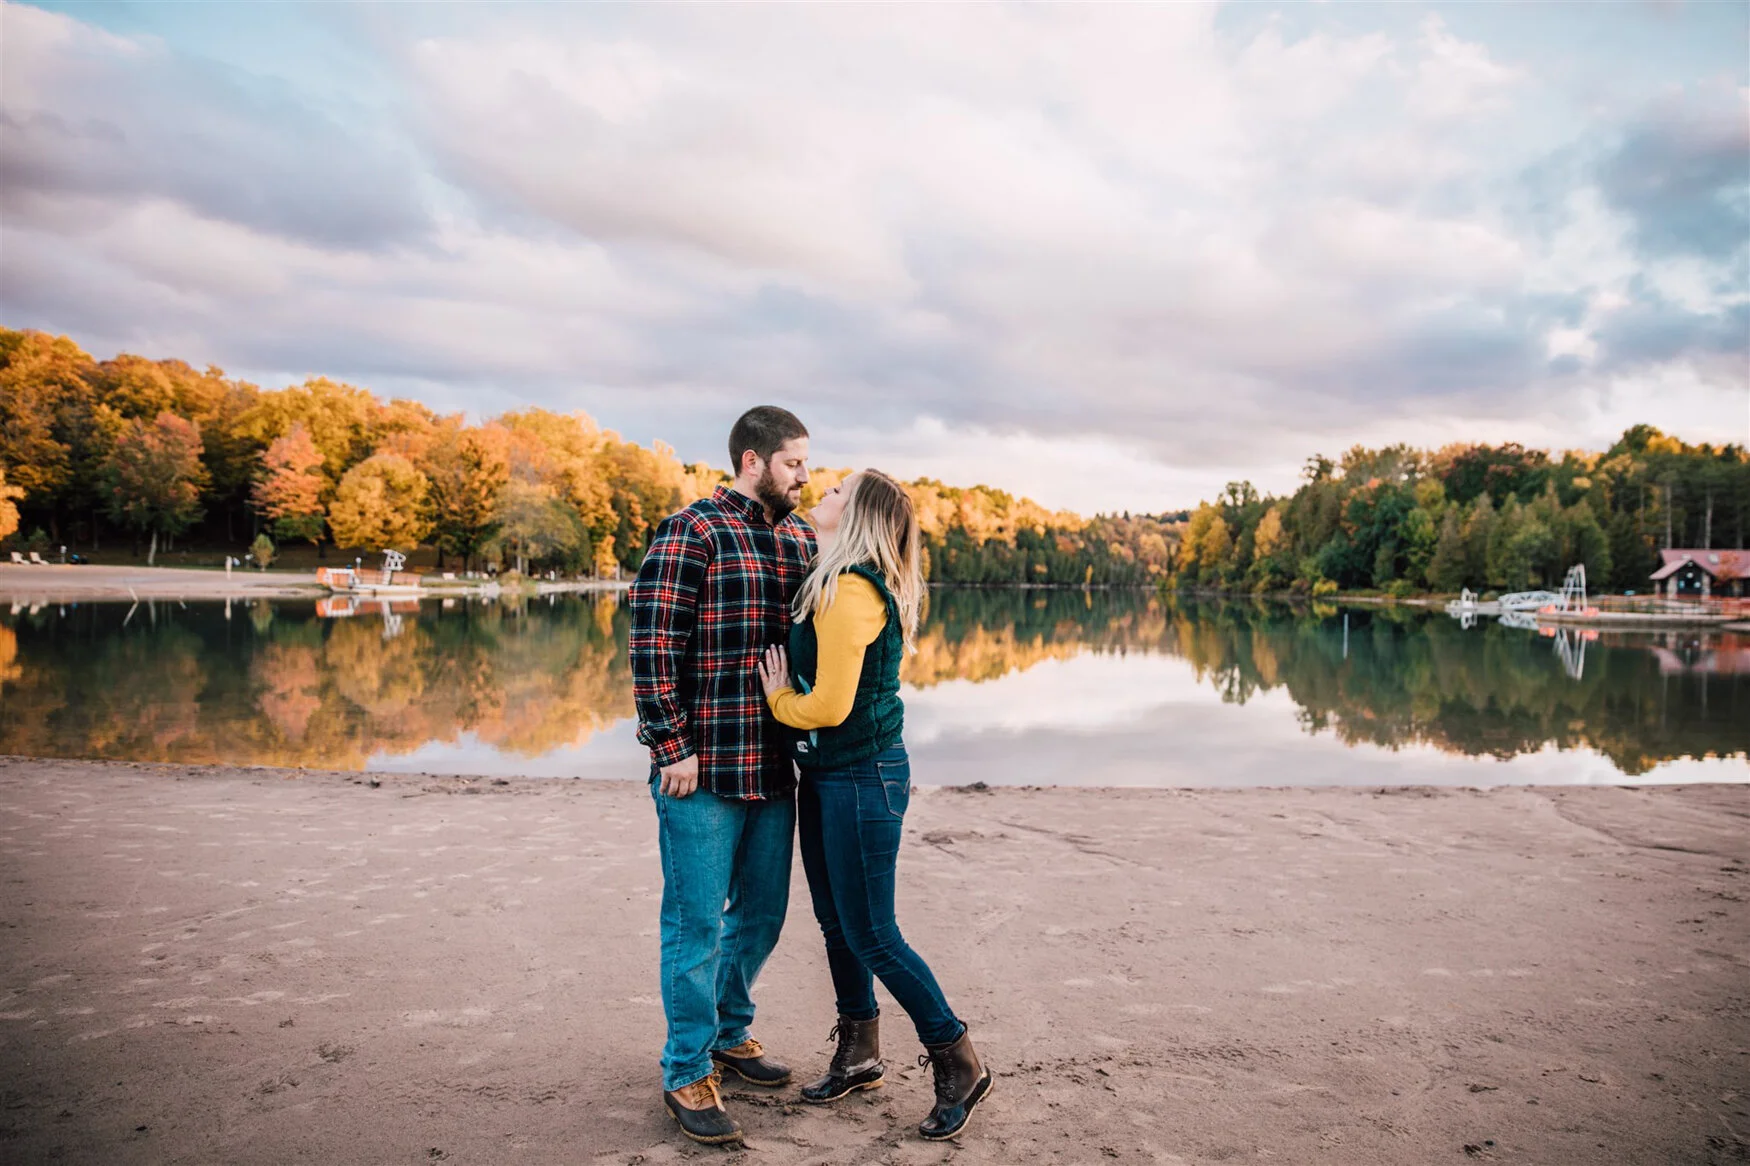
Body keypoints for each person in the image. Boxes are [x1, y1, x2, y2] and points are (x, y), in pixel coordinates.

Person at [756, 469, 993, 1141]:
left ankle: (958, 1058)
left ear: (854, 515)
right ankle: (859, 1053)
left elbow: (828, 707)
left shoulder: (851, 592)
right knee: (838, 924)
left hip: (861, 774)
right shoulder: (831, 579)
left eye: (833, 492)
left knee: (873, 933)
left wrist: (778, 700)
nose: (820, 495)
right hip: (831, 774)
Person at [628, 406, 816, 1146]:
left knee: (762, 916)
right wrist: (668, 745)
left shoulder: (801, 537)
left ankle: (731, 1032)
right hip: (700, 772)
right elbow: (652, 643)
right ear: (753, 460)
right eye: (795, 462)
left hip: (775, 769)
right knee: (697, 922)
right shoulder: (694, 530)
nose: (806, 475)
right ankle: (685, 1070)